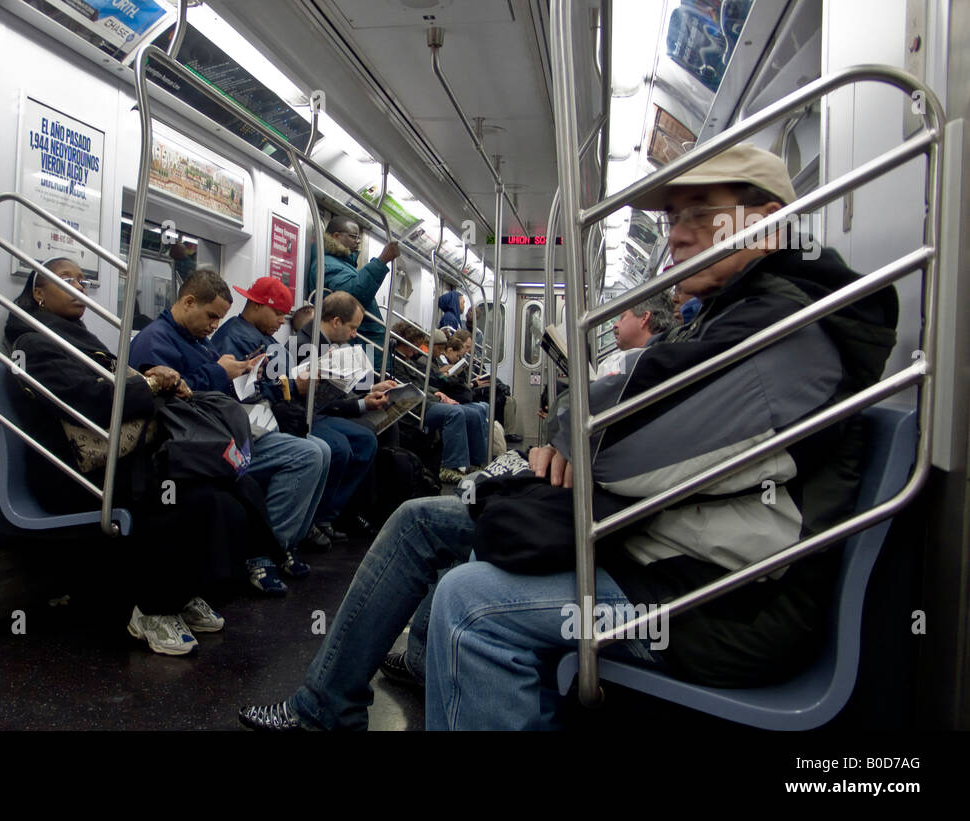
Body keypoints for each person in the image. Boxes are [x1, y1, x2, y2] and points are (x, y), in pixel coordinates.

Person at [237, 144, 898, 730]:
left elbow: (631, 444)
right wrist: (568, 435)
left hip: (722, 599)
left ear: (765, 219)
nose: (681, 237)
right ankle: (325, 706)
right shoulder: (742, 311)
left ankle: (399, 667)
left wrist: (572, 438)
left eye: (701, 215)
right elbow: (629, 409)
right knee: (424, 519)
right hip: (670, 544)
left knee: (473, 602)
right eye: (675, 221)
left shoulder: (791, 332)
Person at [3, 259, 276, 656]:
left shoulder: (80, 340)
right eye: (66, 281)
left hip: (121, 458)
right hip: (77, 471)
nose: (79, 286)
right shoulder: (34, 345)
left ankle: (186, 591)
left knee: (238, 484)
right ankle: (152, 608)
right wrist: (149, 383)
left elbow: (113, 390)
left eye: (83, 279)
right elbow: (93, 401)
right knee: (202, 501)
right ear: (38, 294)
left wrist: (161, 385)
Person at [128, 266, 330, 592]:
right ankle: (264, 554)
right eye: (210, 316)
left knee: (321, 449)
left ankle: (283, 544)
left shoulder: (197, 340)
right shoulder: (155, 342)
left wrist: (240, 373)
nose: (214, 326)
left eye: (219, 319)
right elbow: (170, 397)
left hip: (222, 426)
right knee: (305, 454)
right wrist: (222, 372)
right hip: (192, 442)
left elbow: (213, 384)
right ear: (189, 302)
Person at [237, 289, 390, 542]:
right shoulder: (300, 346)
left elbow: (340, 389)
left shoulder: (331, 346)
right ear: (337, 321)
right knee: (340, 447)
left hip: (319, 410)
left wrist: (370, 390)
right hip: (298, 414)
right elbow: (293, 392)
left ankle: (332, 512)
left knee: (367, 438)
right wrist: (361, 404)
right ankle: (318, 516)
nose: (354, 335)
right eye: (352, 328)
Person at [384, 323, 488, 483]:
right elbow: (410, 390)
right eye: (414, 346)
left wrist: (438, 394)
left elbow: (423, 383)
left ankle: (475, 463)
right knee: (455, 413)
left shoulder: (409, 360)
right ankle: (450, 467)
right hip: (415, 406)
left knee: (473, 414)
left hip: (426, 399)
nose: (416, 350)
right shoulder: (395, 362)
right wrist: (438, 397)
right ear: (403, 343)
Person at [305, 216, 400, 368]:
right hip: (358, 342)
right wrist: (382, 261)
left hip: (365, 342)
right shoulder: (327, 265)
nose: (357, 241)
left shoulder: (342, 264)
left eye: (359, 238)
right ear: (336, 236)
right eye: (353, 236)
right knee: (366, 387)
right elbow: (352, 295)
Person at [594, 291, 675, 379]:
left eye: (622, 317)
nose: (615, 325)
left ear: (644, 318)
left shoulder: (625, 362)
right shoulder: (669, 353)